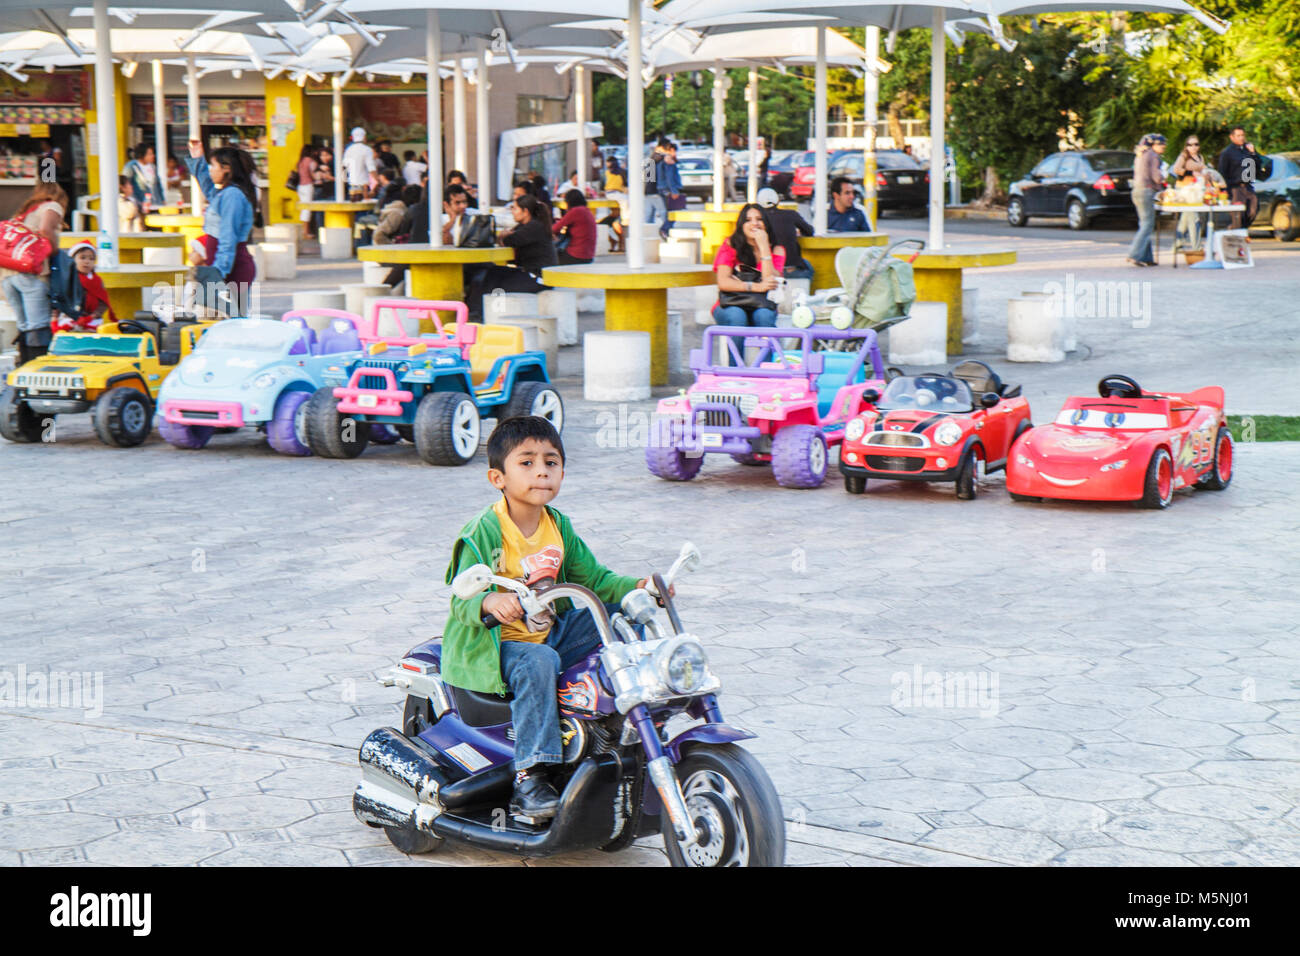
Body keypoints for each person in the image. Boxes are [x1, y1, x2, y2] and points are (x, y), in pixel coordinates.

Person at [443, 415, 663, 819]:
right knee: (538, 661)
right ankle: (531, 773)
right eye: (526, 462)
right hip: (499, 646)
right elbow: (460, 600)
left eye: (551, 461)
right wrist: (489, 603)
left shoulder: (558, 525)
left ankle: (621, 724)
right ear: (498, 477)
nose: (542, 470)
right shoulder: (484, 531)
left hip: (549, 630)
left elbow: (594, 579)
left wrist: (639, 586)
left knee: (618, 616)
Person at [185, 141, 256, 314]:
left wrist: (218, 273)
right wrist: (197, 159)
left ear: (226, 168)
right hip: (223, 268)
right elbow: (207, 187)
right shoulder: (225, 193)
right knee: (224, 321)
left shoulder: (232, 196)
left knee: (234, 323)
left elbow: (228, 237)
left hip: (231, 269)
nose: (210, 170)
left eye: (213, 166)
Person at [1, 182, 67, 363]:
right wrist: (53, 250)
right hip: (31, 275)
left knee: (24, 326)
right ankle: (38, 369)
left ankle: (24, 368)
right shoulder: (52, 205)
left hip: (8, 276)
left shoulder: (25, 211)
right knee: (38, 327)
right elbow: (46, 229)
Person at [469, 193, 556, 320]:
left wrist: (503, 236)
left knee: (498, 284)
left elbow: (510, 240)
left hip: (538, 278)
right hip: (529, 273)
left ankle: (486, 314)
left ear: (525, 211)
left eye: (514, 208)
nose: (512, 212)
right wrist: (504, 236)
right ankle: (478, 312)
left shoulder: (534, 227)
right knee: (493, 272)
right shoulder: (528, 226)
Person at [711, 203, 785, 328]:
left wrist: (764, 247)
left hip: (762, 303)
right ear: (741, 225)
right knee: (737, 317)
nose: (754, 224)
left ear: (766, 223)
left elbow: (770, 282)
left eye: (759, 219)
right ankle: (735, 349)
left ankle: (768, 348)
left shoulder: (777, 250)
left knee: (764, 316)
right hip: (731, 303)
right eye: (748, 220)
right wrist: (757, 286)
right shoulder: (730, 245)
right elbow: (723, 282)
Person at [50, 242, 114, 333]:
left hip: (92, 320)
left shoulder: (97, 281)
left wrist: (90, 317)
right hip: (69, 319)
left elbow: (103, 303)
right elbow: (58, 300)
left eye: (91, 259)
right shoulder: (66, 279)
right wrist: (54, 319)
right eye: (82, 258)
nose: (87, 261)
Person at [1217, 125, 1272, 231]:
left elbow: (1259, 164)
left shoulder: (1248, 149)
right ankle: (1236, 231)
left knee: (1253, 210)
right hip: (1235, 188)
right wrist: (1225, 191)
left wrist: (1253, 153)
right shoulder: (1227, 153)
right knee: (1238, 215)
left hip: (1248, 186)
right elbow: (1222, 173)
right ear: (1232, 137)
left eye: (1242, 135)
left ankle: (1238, 229)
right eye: (1238, 136)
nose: (1241, 138)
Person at [1127, 133, 1166, 267]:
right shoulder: (1153, 156)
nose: (1163, 146)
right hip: (1147, 191)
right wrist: (1163, 178)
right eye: (1160, 144)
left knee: (1144, 224)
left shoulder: (1141, 154)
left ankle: (1146, 257)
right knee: (1148, 224)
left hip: (1137, 190)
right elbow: (1156, 177)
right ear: (1153, 144)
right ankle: (1134, 254)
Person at [757, 187, 813, 279]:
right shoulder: (790, 214)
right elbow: (809, 231)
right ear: (777, 201)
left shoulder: (757, 220)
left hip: (768, 271)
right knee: (808, 267)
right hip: (793, 270)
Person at [1170, 135, 1209, 250]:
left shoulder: (1200, 157)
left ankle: (1178, 243)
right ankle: (1196, 247)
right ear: (1186, 146)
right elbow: (1176, 169)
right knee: (1193, 217)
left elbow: (1203, 172)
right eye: (1190, 144)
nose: (1193, 147)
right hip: (1184, 190)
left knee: (1186, 218)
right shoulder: (1183, 156)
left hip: (1196, 189)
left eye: (1196, 144)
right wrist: (1191, 173)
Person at [553, 189, 596, 265]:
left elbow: (554, 229)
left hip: (576, 255)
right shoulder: (586, 211)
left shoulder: (575, 211)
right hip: (589, 256)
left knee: (550, 258)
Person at [123, 144, 165, 212]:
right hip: (140, 205)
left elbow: (158, 184)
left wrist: (163, 199)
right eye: (150, 154)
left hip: (156, 204)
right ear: (142, 155)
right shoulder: (131, 167)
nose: (153, 156)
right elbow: (126, 184)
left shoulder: (153, 167)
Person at [656, 142, 685, 241]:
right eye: (674, 151)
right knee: (674, 212)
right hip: (668, 190)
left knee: (670, 212)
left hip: (662, 188)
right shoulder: (669, 161)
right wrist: (674, 191)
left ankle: (666, 230)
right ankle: (665, 229)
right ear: (671, 150)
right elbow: (670, 178)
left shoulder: (661, 160)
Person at [599, 156, 627, 253]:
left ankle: (619, 244)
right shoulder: (620, 172)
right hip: (618, 198)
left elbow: (603, 186)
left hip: (612, 197)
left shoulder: (606, 173)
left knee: (614, 223)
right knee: (616, 223)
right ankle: (619, 244)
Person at [342, 127, 377, 200]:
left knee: (354, 206)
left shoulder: (348, 150)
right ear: (364, 137)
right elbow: (371, 168)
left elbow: (344, 167)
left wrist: (344, 181)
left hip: (351, 183)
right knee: (364, 205)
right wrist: (377, 181)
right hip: (363, 184)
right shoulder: (367, 149)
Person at [296, 145, 320, 241]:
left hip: (300, 186)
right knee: (307, 209)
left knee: (304, 209)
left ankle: (305, 231)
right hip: (308, 186)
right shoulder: (310, 161)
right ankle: (306, 232)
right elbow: (313, 175)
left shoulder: (300, 161)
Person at [644, 139, 668, 230]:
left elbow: (646, 177)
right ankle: (666, 229)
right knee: (662, 212)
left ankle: (647, 231)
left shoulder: (649, 161)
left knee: (649, 213)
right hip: (654, 191)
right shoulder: (656, 161)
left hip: (648, 190)